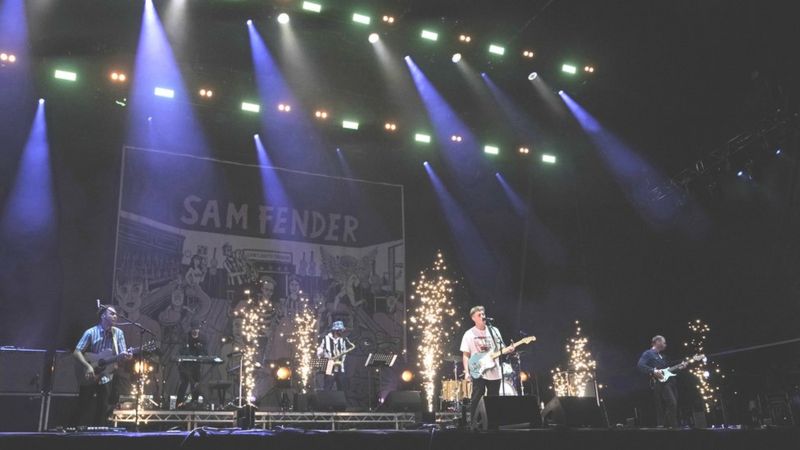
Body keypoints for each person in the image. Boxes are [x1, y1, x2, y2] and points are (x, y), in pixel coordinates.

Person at [73, 306, 132, 426]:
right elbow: (77, 352)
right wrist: (88, 366)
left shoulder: (118, 333)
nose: (115, 316)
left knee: (103, 409)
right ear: (103, 316)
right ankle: (73, 432)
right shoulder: (91, 332)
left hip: (106, 375)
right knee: (82, 407)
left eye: (116, 314)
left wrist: (126, 357)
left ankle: (98, 436)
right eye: (112, 314)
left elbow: (121, 357)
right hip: (90, 374)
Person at [460, 306, 514, 422]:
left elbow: (501, 348)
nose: (482, 316)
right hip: (478, 370)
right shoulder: (469, 334)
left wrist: (508, 349)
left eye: (483, 314)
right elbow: (465, 354)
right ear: (473, 318)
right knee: (477, 397)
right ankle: (474, 423)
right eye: (479, 315)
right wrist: (466, 372)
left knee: (494, 399)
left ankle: (493, 422)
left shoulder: (494, 330)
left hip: (494, 370)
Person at [637, 335, 686, 428]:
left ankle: (668, 426)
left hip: (670, 382)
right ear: (657, 342)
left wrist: (680, 367)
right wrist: (653, 371)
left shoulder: (663, 356)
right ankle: (672, 426)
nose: (665, 344)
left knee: (673, 404)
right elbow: (640, 365)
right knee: (672, 403)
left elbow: (668, 371)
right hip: (660, 383)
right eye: (664, 342)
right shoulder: (648, 353)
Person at [176, 322, 207, 407]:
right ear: (191, 329)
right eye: (194, 329)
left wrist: (201, 352)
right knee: (184, 382)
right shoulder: (185, 338)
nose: (195, 330)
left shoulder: (202, 339)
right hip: (185, 365)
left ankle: (194, 402)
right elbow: (181, 350)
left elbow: (205, 352)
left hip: (196, 365)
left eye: (197, 329)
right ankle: (179, 402)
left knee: (196, 383)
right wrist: (188, 354)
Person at [316, 321, 353, 391]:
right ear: (335, 330)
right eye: (340, 330)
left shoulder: (343, 340)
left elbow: (344, 351)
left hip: (340, 366)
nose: (342, 332)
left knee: (342, 387)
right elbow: (320, 350)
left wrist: (342, 358)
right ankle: (326, 400)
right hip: (329, 364)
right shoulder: (326, 338)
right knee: (328, 386)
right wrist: (324, 355)